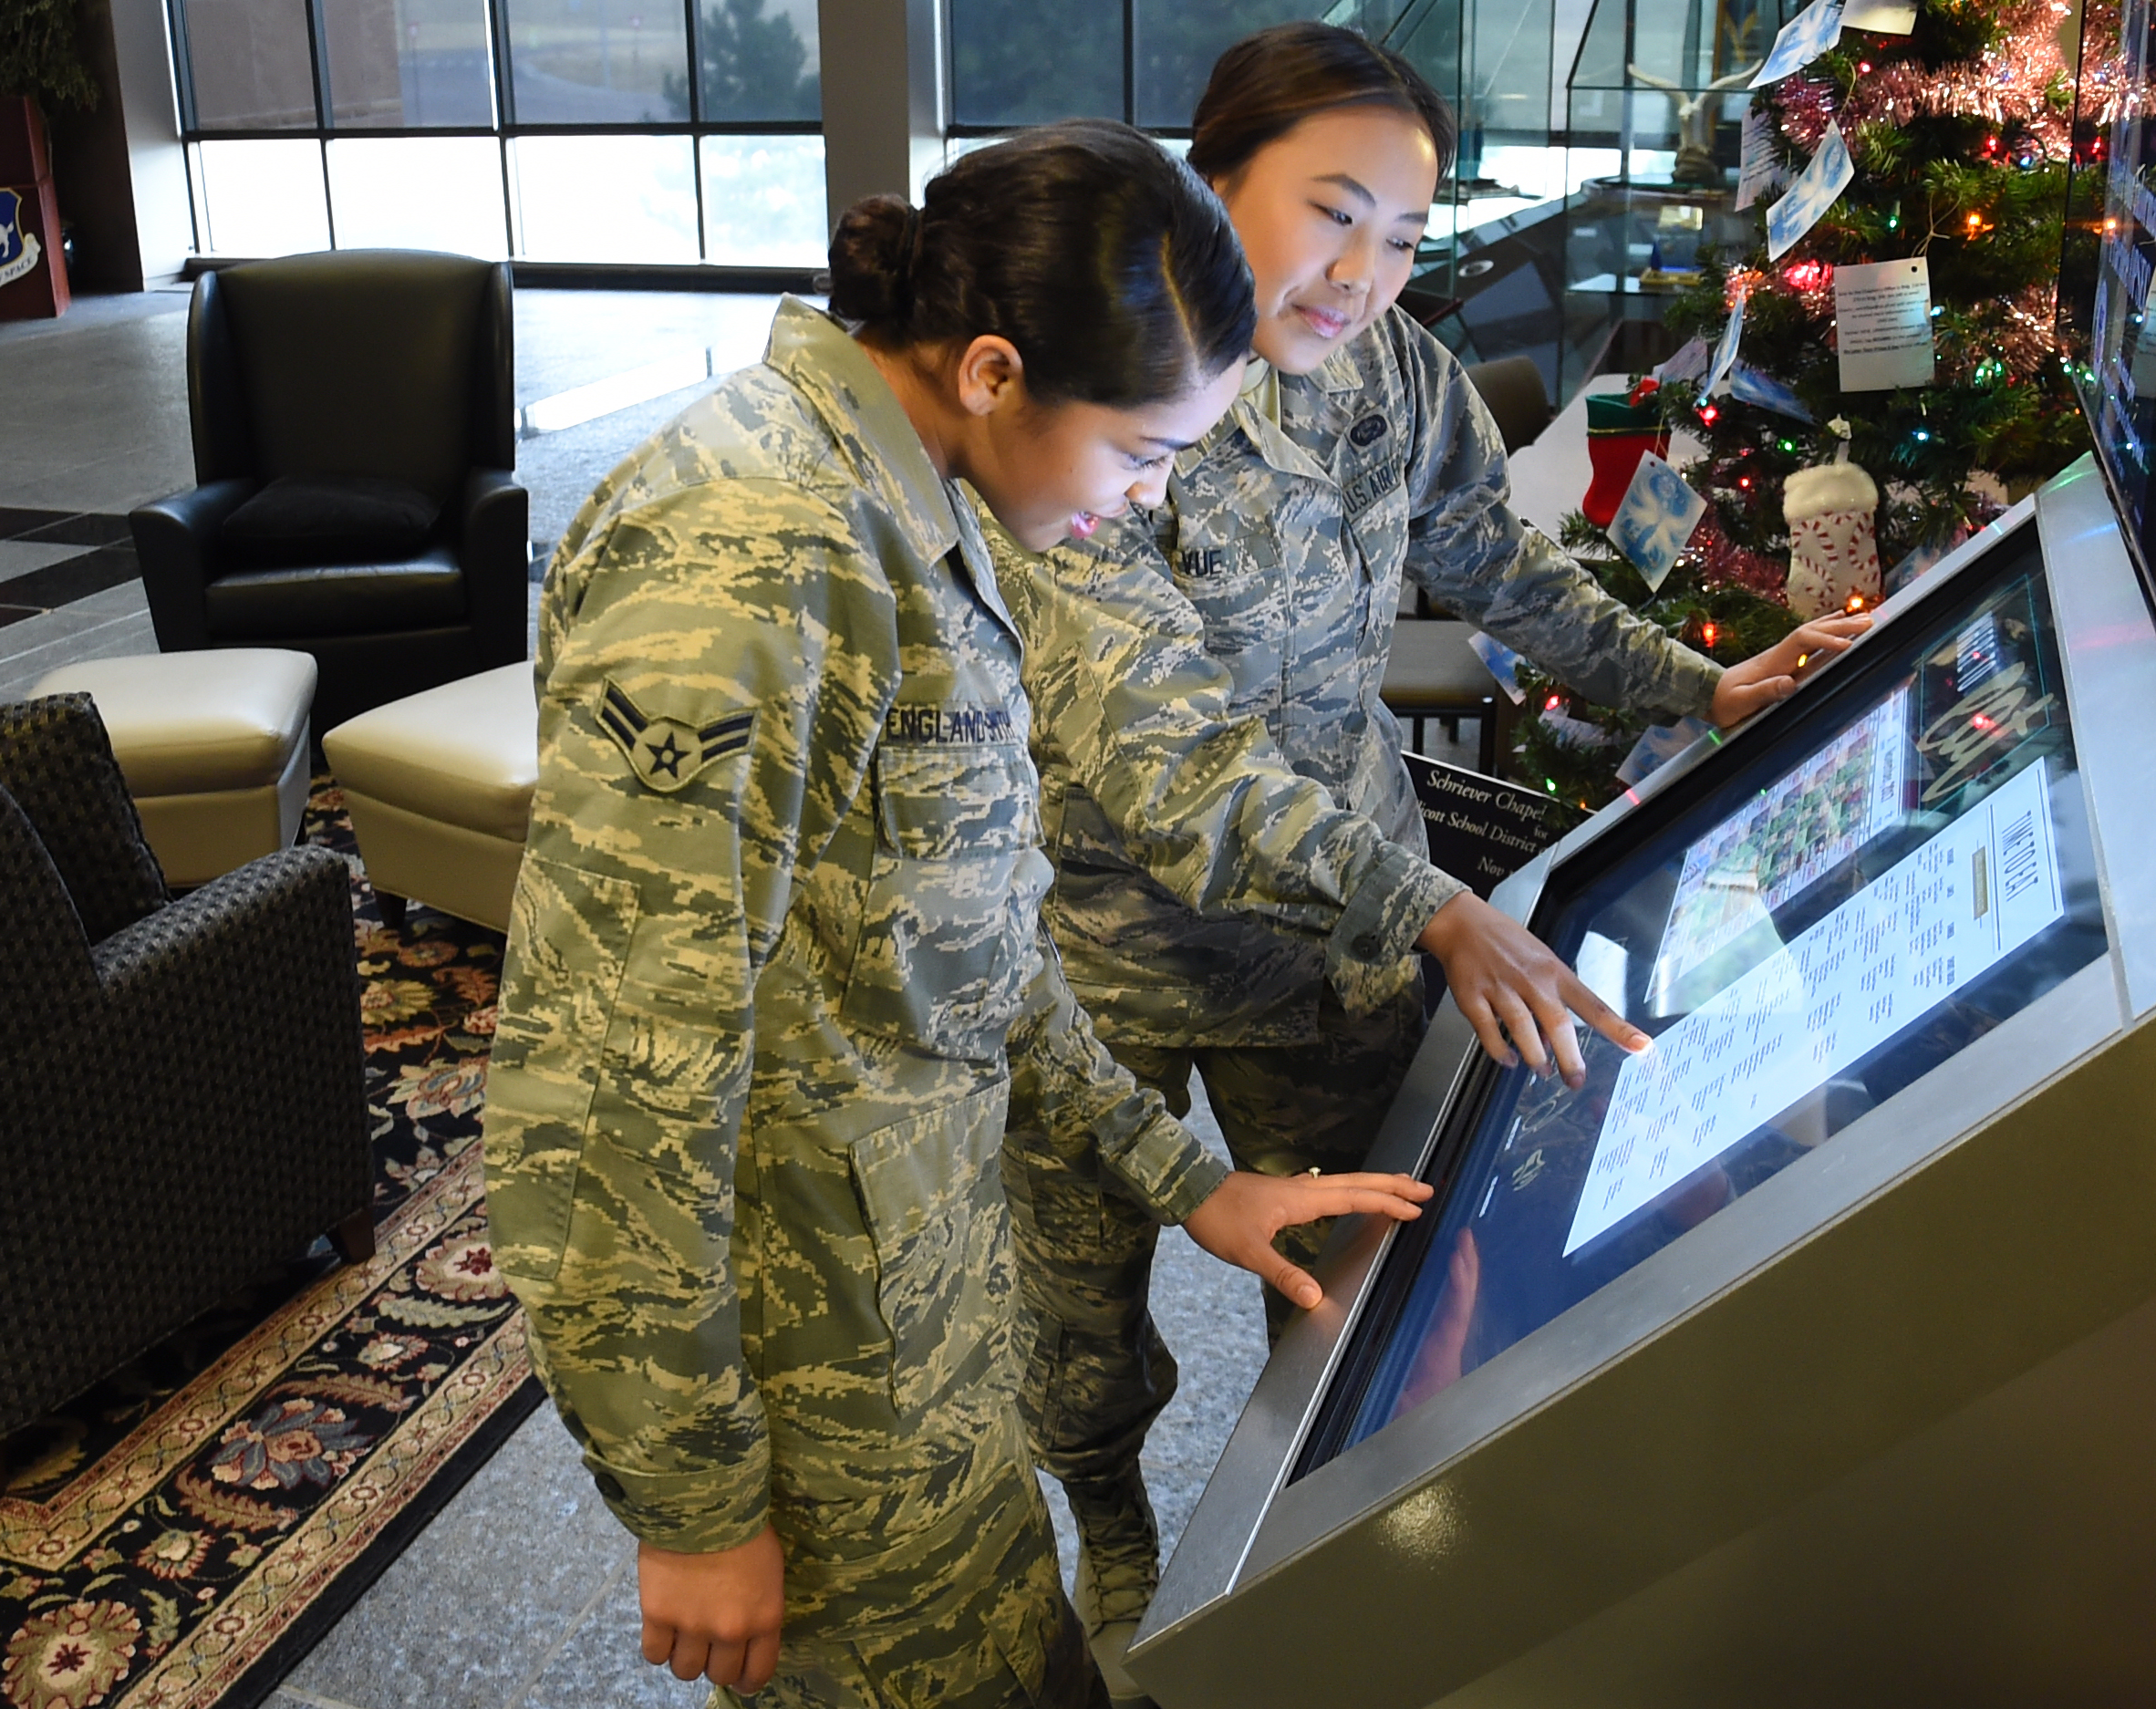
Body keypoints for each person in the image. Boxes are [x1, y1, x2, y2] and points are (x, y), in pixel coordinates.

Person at [480, 119, 1430, 1709]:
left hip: (930, 1309)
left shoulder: (920, 505)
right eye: (1141, 453)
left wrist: (1189, 1180)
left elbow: (976, 940)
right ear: (995, 369)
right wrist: (698, 1505)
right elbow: (603, 1088)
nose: (1144, 503)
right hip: (814, 1380)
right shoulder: (748, 560)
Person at [982, 22, 1868, 1699]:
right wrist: (1440, 906)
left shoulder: (1391, 375)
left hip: (1331, 942)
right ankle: (1112, 1533)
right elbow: (1171, 760)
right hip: (1093, 938)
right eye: (1329, 213)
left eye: (1403, 233)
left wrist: (1695, 680)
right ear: (1209, 177)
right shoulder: (1111, 380)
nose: (1363, 273)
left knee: (1351, 1292)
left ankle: (1304, 1568)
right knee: (1073, 1312)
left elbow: (1498, 563)